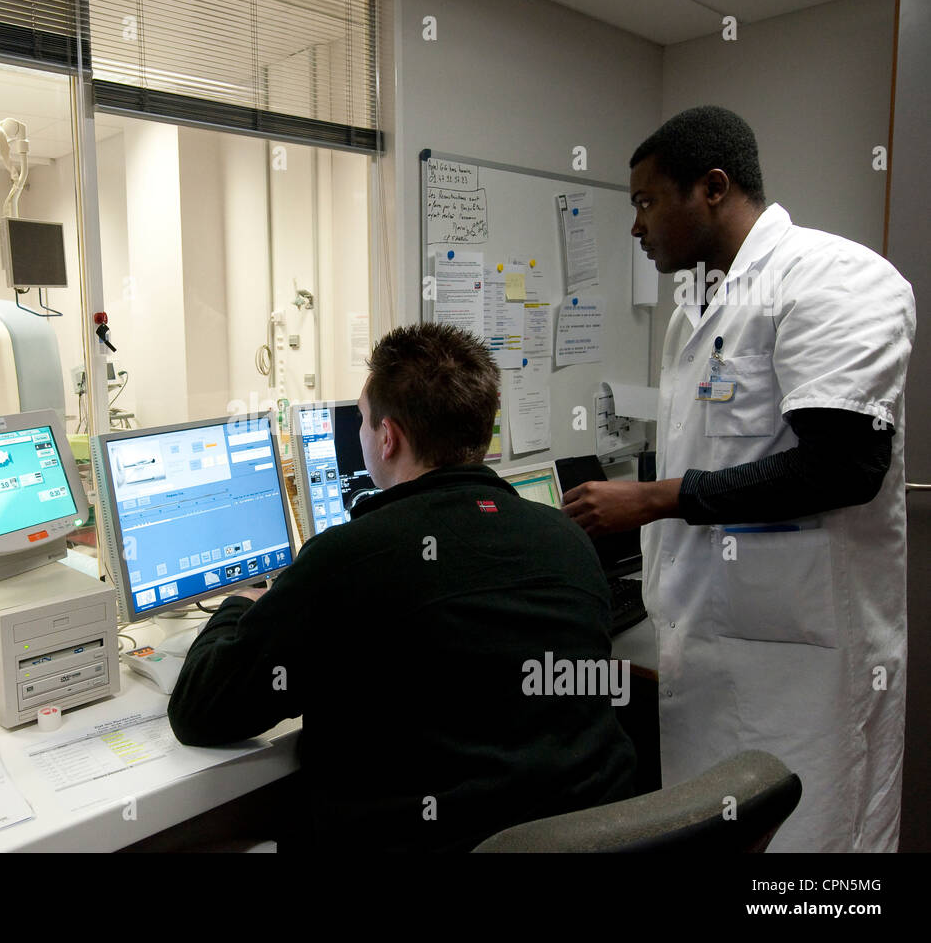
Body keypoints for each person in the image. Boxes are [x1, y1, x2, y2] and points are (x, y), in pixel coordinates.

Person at [562, 106, 914, 852]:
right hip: (712, 660)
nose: (636, 226)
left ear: (713, 188)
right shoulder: (696, 312)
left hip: (805, 672)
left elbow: (843, 465)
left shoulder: (835, 277)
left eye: (646, 201)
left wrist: (656, 498)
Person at [169, 323, 636, 852]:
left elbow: (202, 712)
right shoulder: (566, 540)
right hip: (585, 835)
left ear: (388, 438)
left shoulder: (350, 558)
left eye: (365, 423)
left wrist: (236, 605)